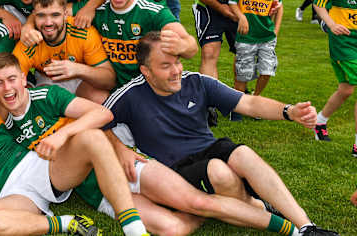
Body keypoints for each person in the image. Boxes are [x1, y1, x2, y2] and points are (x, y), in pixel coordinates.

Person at [103, 32, 339, 236]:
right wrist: (119, 148)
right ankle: (257, 207)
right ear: (146, 71)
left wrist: (288, 112)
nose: (176, 71)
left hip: (209, 149)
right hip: (175, 169)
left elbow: (249, 104)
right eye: (165, 66)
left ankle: (307, 226)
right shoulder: (129, 95)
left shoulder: (197, 82)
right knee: (219, 172)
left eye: (177, 62)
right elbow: (95, 123)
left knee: (243, 153)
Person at [0, 39, 150, 236]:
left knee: (93, 138)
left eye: (10, 80)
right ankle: (66, 222)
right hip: (14, 195)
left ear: (22, 78)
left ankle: (133, 229)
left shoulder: (31, 97)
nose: (6, 88)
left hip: (38, 168)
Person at [90, 0, 198, 88]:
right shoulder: (97, 11)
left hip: (148, 90)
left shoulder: (153, 12)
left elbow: (191, 47)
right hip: (112, 89)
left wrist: (182, 46)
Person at [14, 0, 115, 102]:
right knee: (43, 100)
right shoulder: (29, 40)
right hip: (47, 80)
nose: (48, 23)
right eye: (41, 15)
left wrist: (78, 69)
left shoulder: (83, 32)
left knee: (100, 97)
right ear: (34, 15)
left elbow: (110, 80)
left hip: (80, 77)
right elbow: (13, 81)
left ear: (66, 14)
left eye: (55, 15)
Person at [312, 0, 357, 151]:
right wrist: (331, 25)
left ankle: (319, 121)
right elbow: (319, 3)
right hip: (344, 44)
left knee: (346, 90)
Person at [228, 0, 282, 108]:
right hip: (246, 37)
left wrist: (275, 30)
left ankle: (255, 99)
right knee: (243, 73)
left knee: (267, 71)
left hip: (266, 37)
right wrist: (241, 17)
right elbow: (232, 3)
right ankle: (238, 106)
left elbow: (276, 9)